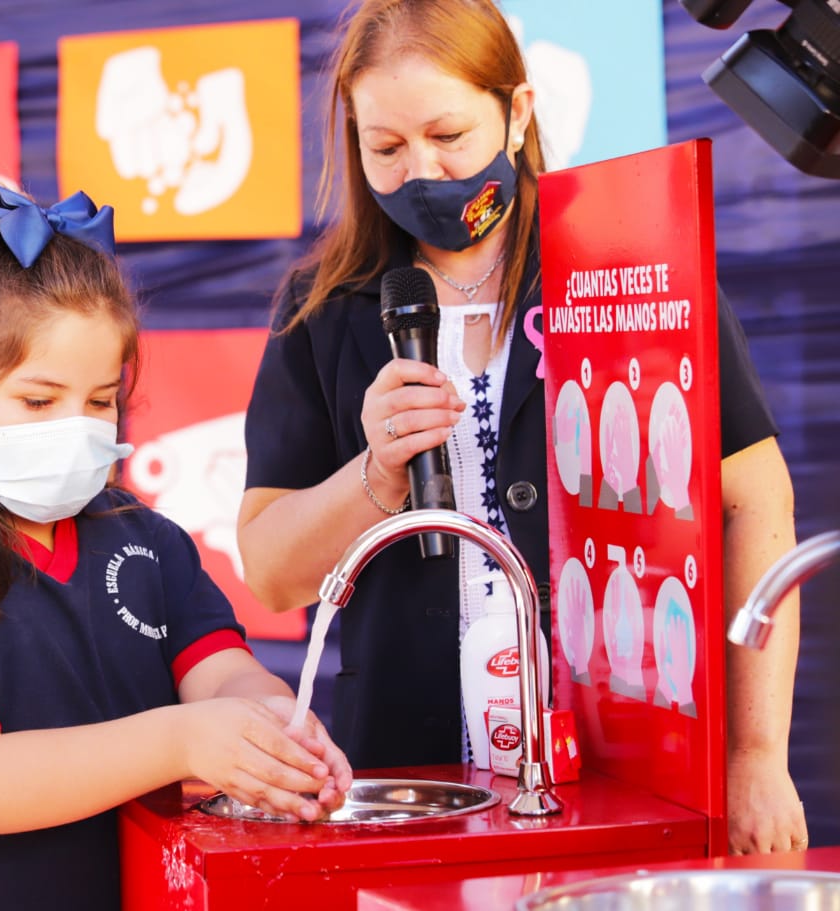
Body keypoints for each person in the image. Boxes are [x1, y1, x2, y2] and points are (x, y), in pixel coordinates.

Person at [236, 0, 807, 856]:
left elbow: (754, 502)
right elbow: (272, 573)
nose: (421, 172)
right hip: (406, 781)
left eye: (448, 135)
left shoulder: (630, 262)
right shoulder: (324, 311)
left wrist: (757, 753)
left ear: (517, 112)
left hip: (619, 771)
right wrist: (374, 475)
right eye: (385, 148)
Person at [0, 181, 351, 911]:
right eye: (39, 400)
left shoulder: (150, 544)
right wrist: (183, 741)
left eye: (100, 400)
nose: (76, 427)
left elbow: (222, 674)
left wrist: (269, 727)